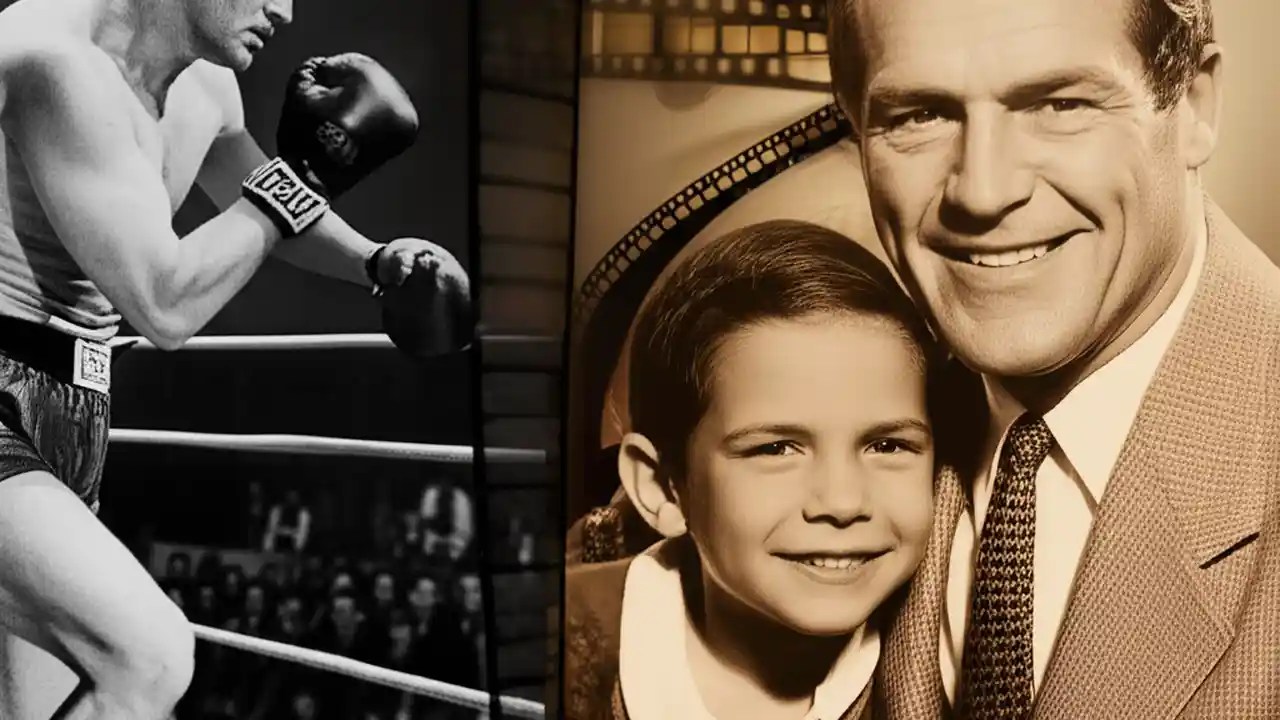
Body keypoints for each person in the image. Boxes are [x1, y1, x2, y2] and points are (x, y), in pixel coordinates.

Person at [0, 0, 470, 718]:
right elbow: (163, 306)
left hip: (74, 405)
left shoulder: (206, 86)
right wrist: (304, 177)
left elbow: (255, 197)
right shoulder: (51, 60)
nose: (283, 8)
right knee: (146, 657)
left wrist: (375, 264)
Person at [825, 0, 1280, 716]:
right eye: (919, 116)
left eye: (1061, 104)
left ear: (1194, 105)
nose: (983, 190)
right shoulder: (849, 421)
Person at [562, 220, 943, 719]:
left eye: (887, 445)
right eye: (777, 449)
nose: (844, 501)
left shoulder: (956, 656)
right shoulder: (560, 645)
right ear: (662, 488)